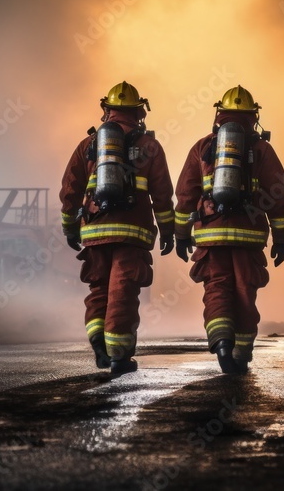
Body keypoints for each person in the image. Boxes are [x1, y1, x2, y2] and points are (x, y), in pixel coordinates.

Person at [59, 81, 175, 375]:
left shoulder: (88, 145)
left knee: (99, 290)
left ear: (106, 110)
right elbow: (162, 195)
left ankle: (100, 346)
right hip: (131, 233)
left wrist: (70, 227)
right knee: (122, 291)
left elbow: (70, 189)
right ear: (139, 111)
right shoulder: (150, 147)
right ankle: (119, 357)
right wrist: (170, 230)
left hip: (94, 231)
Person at [174, 85, 284, 374]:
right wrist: (281, 237)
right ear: (254, 116)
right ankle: (240, 354)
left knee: (217, 290)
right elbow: (276, 195)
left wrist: (179, 234)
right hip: (248, 238)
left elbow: (186, 193)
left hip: (210, 237)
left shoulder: (203, 147)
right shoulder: (262, 149)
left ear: (218, 114)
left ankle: (222, 345)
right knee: (244, 293)